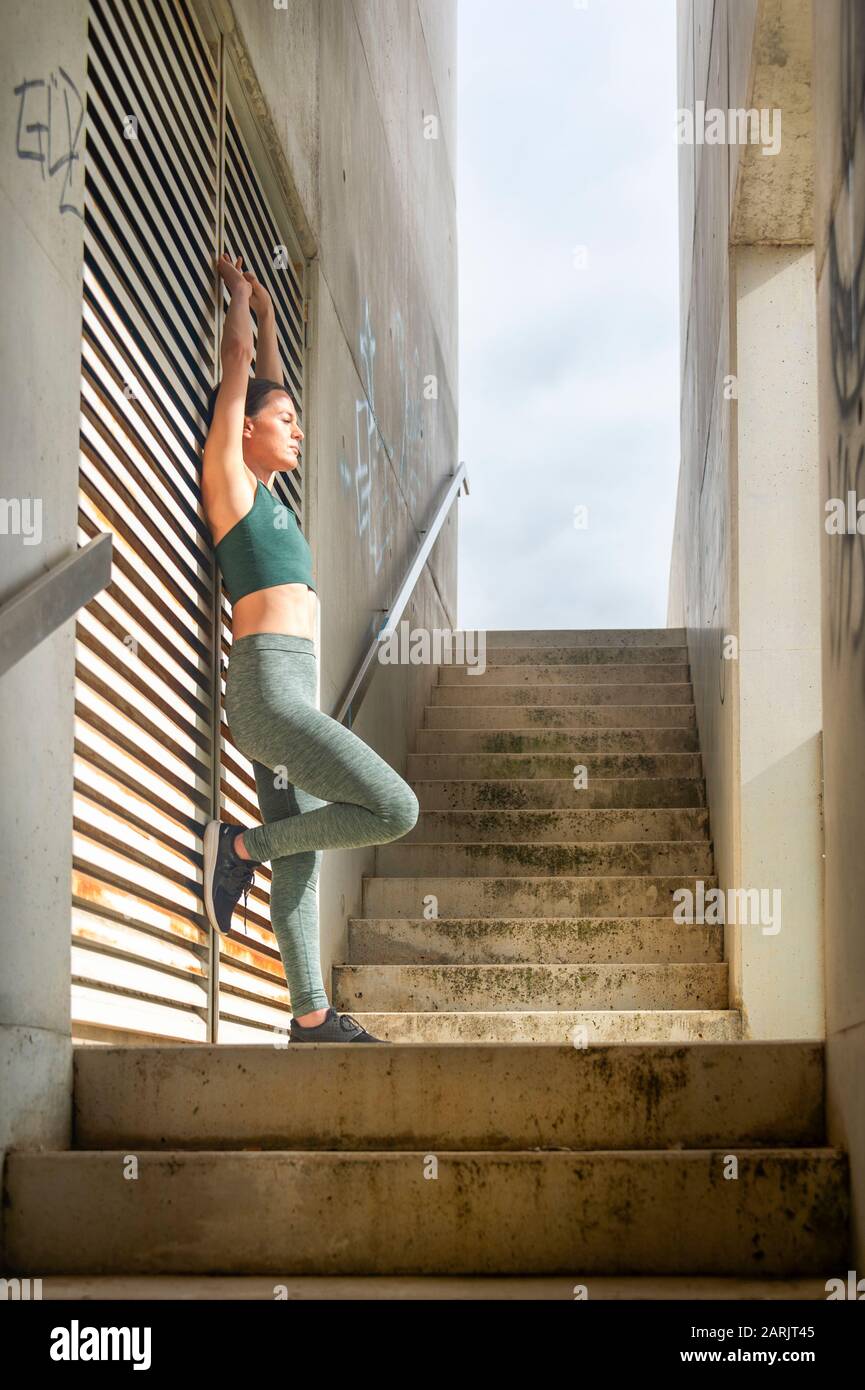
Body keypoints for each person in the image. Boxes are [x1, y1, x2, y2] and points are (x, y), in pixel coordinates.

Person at [201, 253, 419, 1043]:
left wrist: (266, 313)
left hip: (290, 695)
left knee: (306, 858)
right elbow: (241, 374)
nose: (297, 428)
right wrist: (237, 302)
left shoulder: (278, 504)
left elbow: (268, 373)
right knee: (393, 808)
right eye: (284, 419)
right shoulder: (231, 482)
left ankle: (310, 1017)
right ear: (247, 427)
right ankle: (240, 844)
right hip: (267, 693)